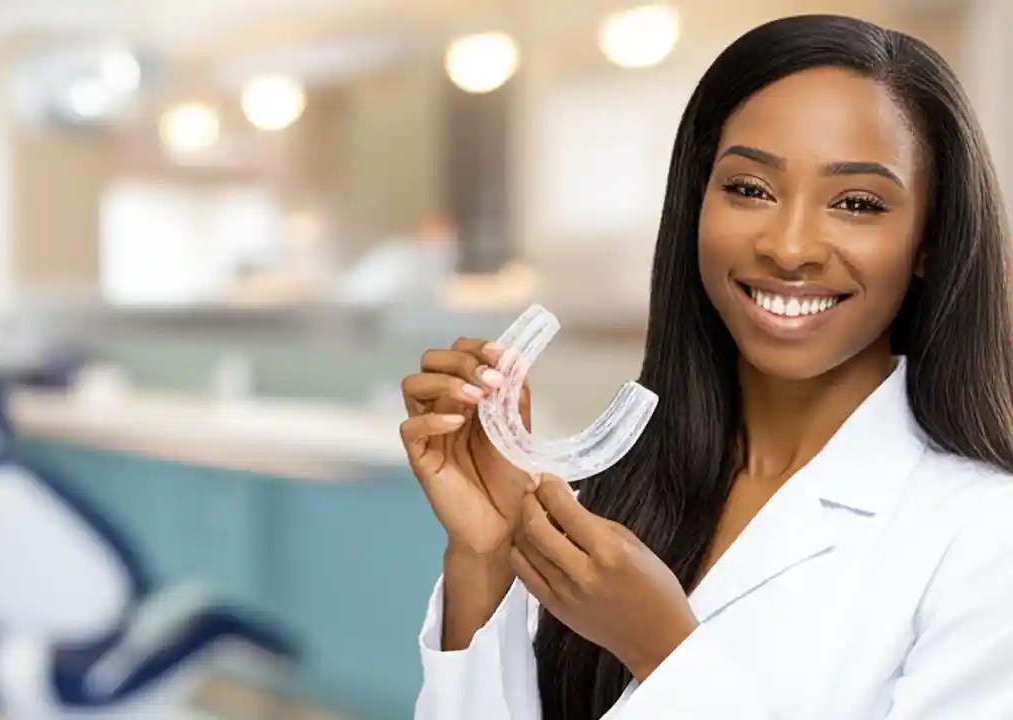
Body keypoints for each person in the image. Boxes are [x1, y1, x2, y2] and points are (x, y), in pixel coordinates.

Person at [399, 14, 1013, 719]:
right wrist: (485, 560)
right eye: (750, 189)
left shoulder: (985, 536)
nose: (789, 247)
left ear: (929, 242)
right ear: (695, 204)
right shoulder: (621, 496)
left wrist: (663, 653)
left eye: (857, 203)